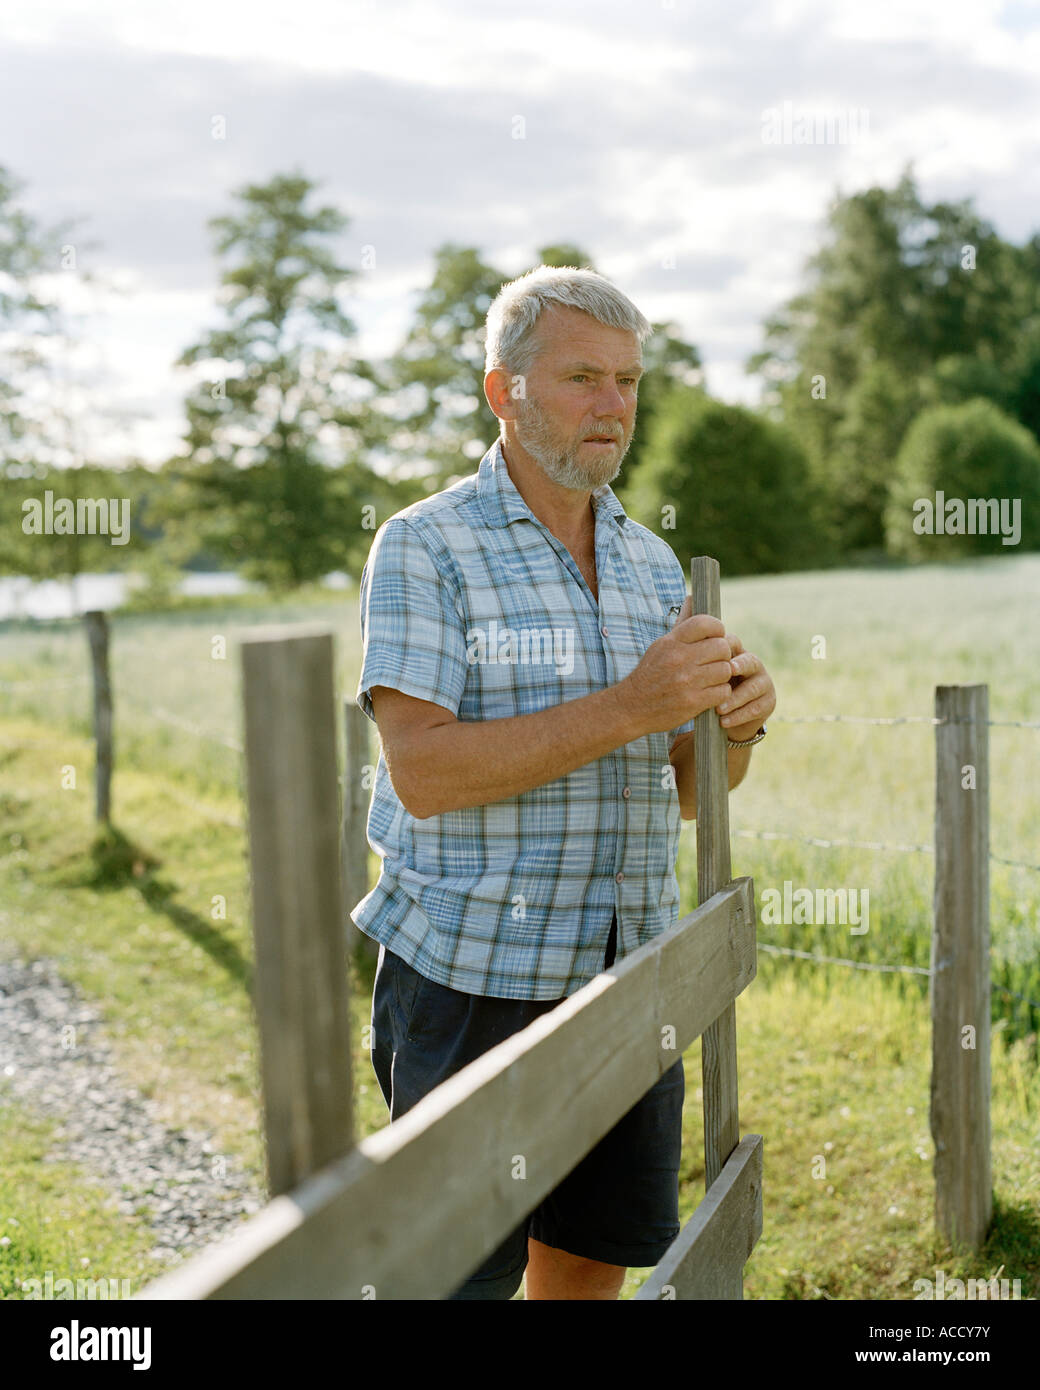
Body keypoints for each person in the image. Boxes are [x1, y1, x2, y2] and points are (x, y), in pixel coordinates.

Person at [352, 265, 776, 1299]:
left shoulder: (648, 561)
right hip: (471, 980)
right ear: (504, 392)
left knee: (589, 1261)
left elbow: (677, 788)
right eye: (583, 375)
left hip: (628, 974)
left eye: (628, 380)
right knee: (452, 1279)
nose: (614, 405)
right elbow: (425, 775)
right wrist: (633, 703)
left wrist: (737, 728)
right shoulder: (424, 545)